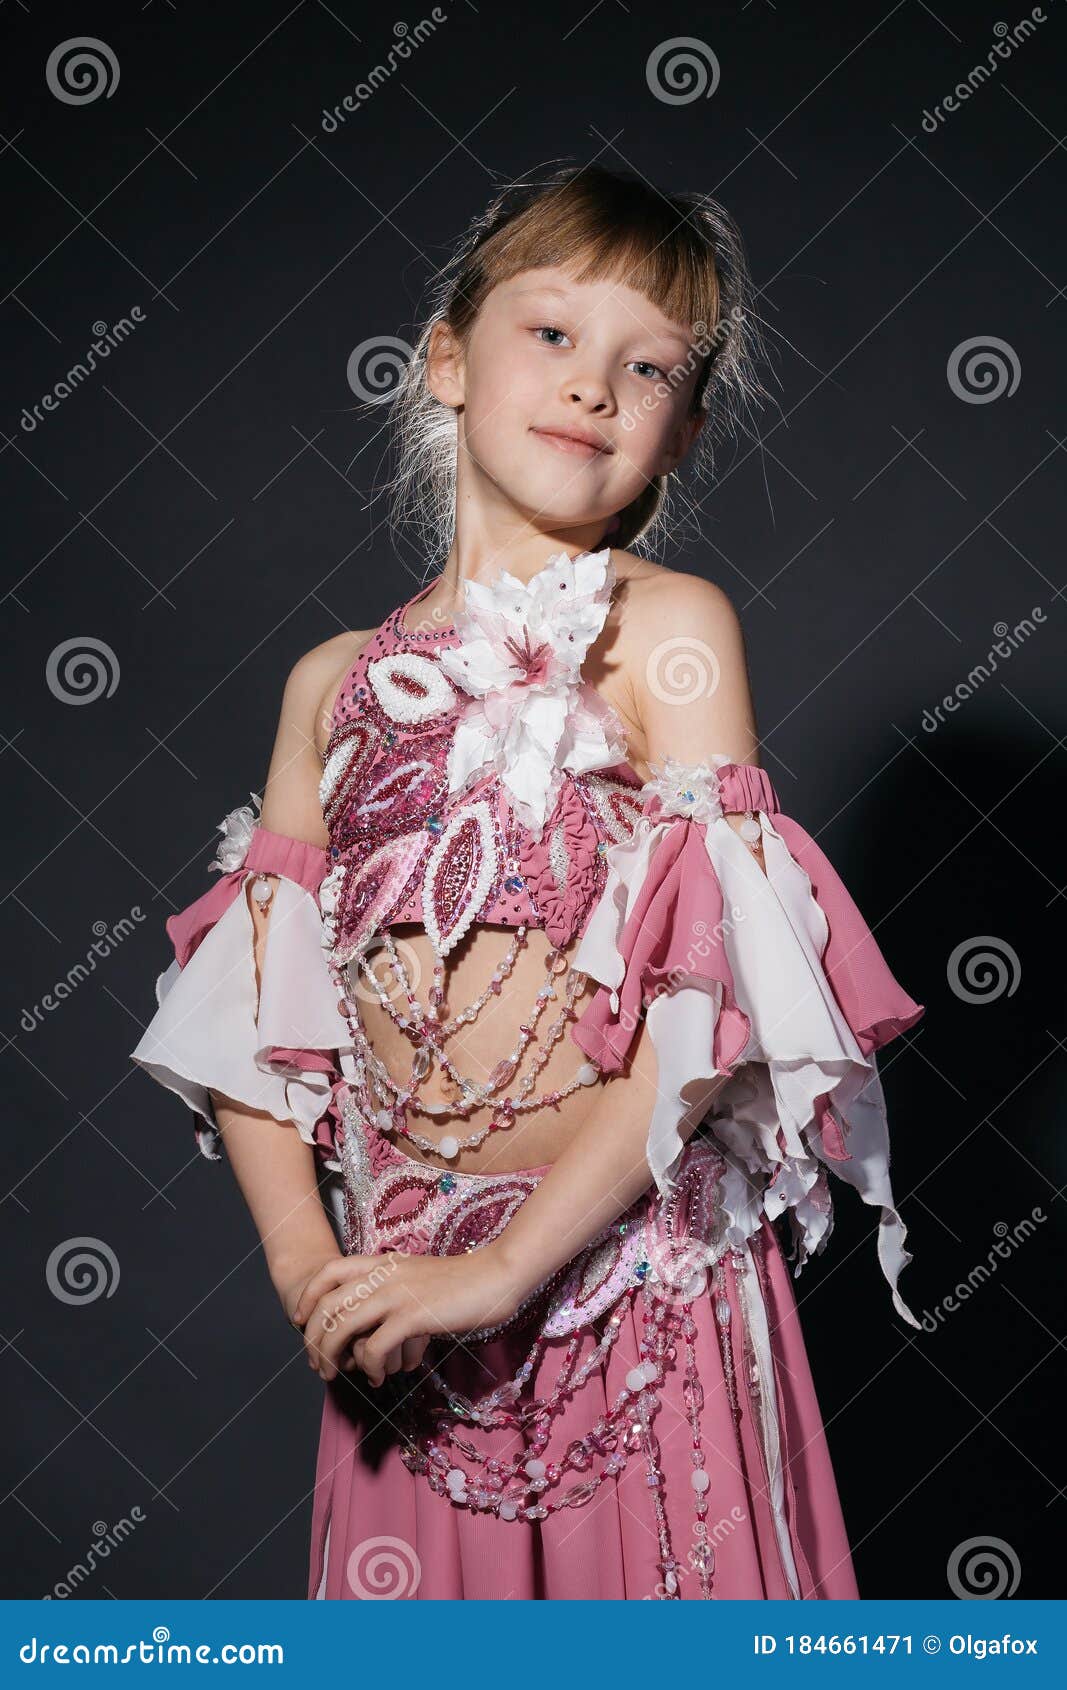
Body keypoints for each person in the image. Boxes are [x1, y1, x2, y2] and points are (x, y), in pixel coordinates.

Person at [130, 163, 925, 1601]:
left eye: (648, 367)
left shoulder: (672, 634)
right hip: (404, 1321)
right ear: (446, 355)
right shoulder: (331, 686)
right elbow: (252, 1032)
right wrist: (318, 1270)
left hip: (637, 1293)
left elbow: (702, 1015)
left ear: (680, 429)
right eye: (551, 333)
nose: (594, 386)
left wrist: (500, 1274)